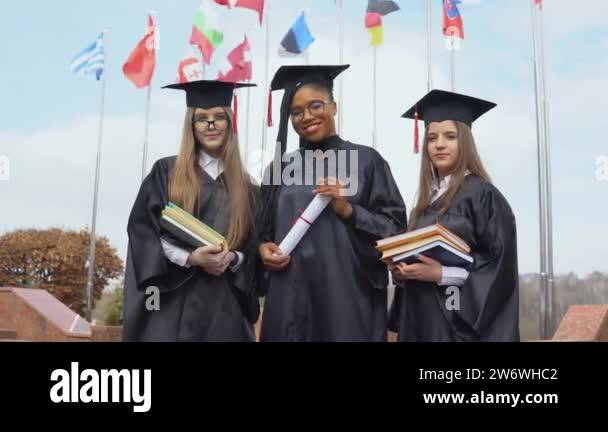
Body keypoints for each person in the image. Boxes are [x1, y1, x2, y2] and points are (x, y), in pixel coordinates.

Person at [255, 65, 407, 341]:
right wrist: (263, 249)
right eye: (296, 111)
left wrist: (349, 211)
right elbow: (261, 232)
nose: (307, 117)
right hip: (290, 299)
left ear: (333, 107)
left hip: (348, 300)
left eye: (315, 105)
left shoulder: (366, 161)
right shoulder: (279, 167)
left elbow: (395, 230)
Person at [123, 80, 260, 342]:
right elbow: (144, 234)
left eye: (219, 117)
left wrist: (232, 259)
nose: (211, 124)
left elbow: (253, 249)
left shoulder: (248, 188)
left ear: (230, 124)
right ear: (191, 126)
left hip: (225, 307)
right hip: (173, 301)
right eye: (202, 118)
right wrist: (192, 258)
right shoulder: (167, 172)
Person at [389, 89, 519, 342]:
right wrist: (402, 271)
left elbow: (499, 270)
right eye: (432, 138)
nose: (439, 144)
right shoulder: (422, 205)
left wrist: (441, 274)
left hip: (456, 324)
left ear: (465, 143)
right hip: (419, 320)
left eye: (450, 136)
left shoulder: (483, 195)